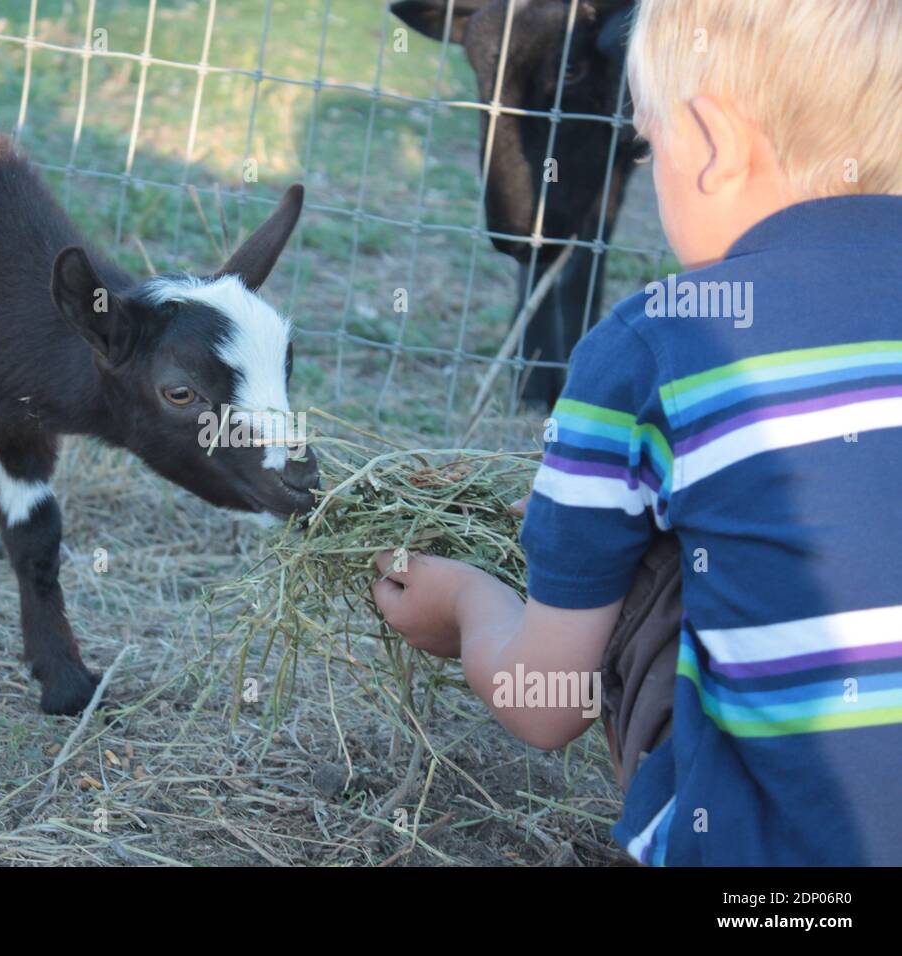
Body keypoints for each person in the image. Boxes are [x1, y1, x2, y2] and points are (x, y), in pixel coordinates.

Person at [371, 0, 902, 865]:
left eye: (649, 148)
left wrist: (466, 606)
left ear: (717, 145)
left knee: (649, 548)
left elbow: (545, 701)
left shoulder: (653, 345)